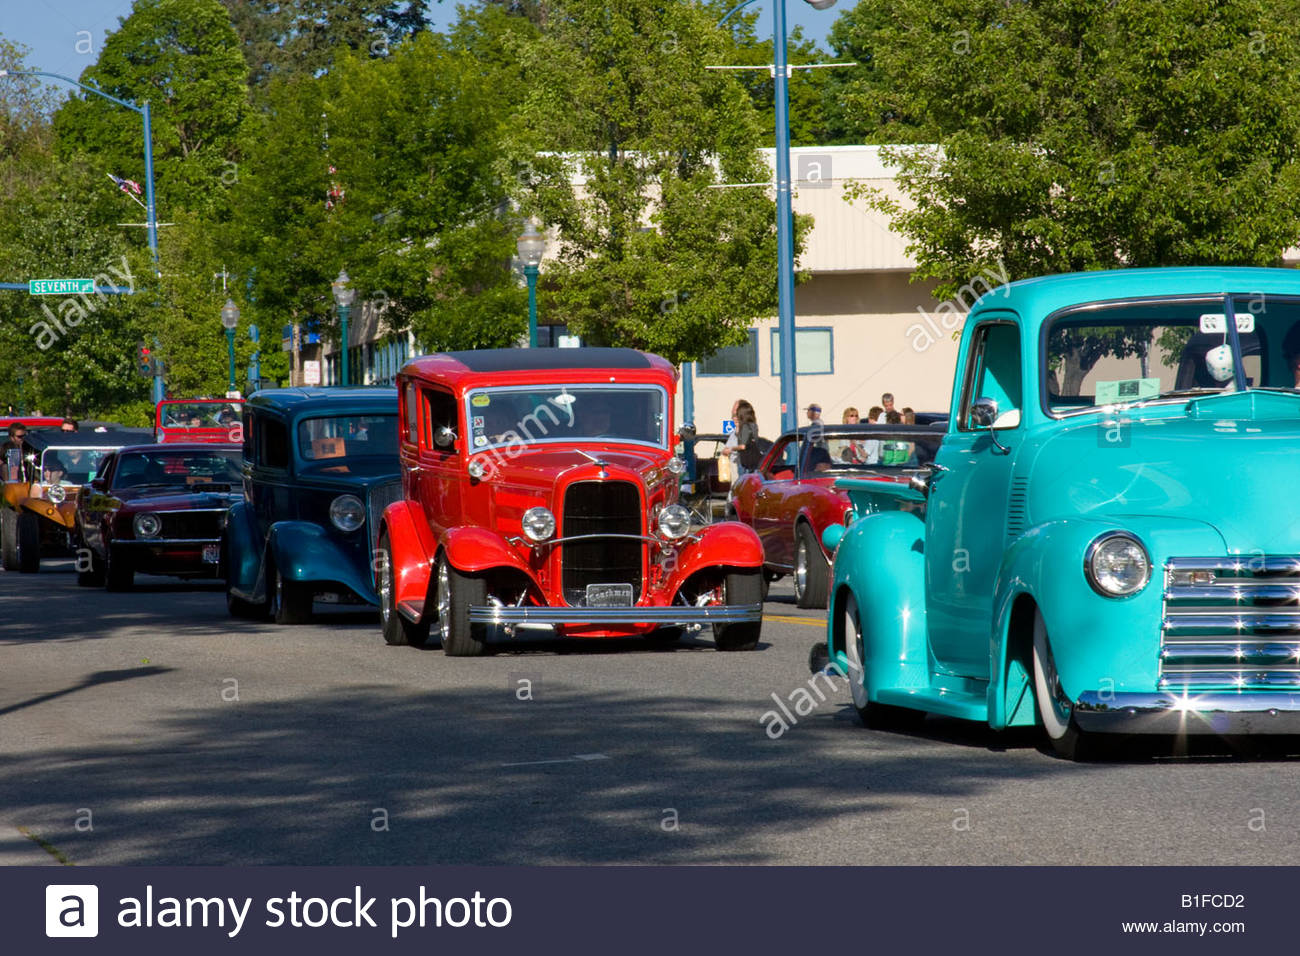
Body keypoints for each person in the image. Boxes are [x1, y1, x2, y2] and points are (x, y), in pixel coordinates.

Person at [724, 399, 761, 478]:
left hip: (746, 466)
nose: (734, 418)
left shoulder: (745, 427)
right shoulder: (753, 426)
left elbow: (742, 446)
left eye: (736, 414)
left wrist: (730, 449)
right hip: (754, 464)